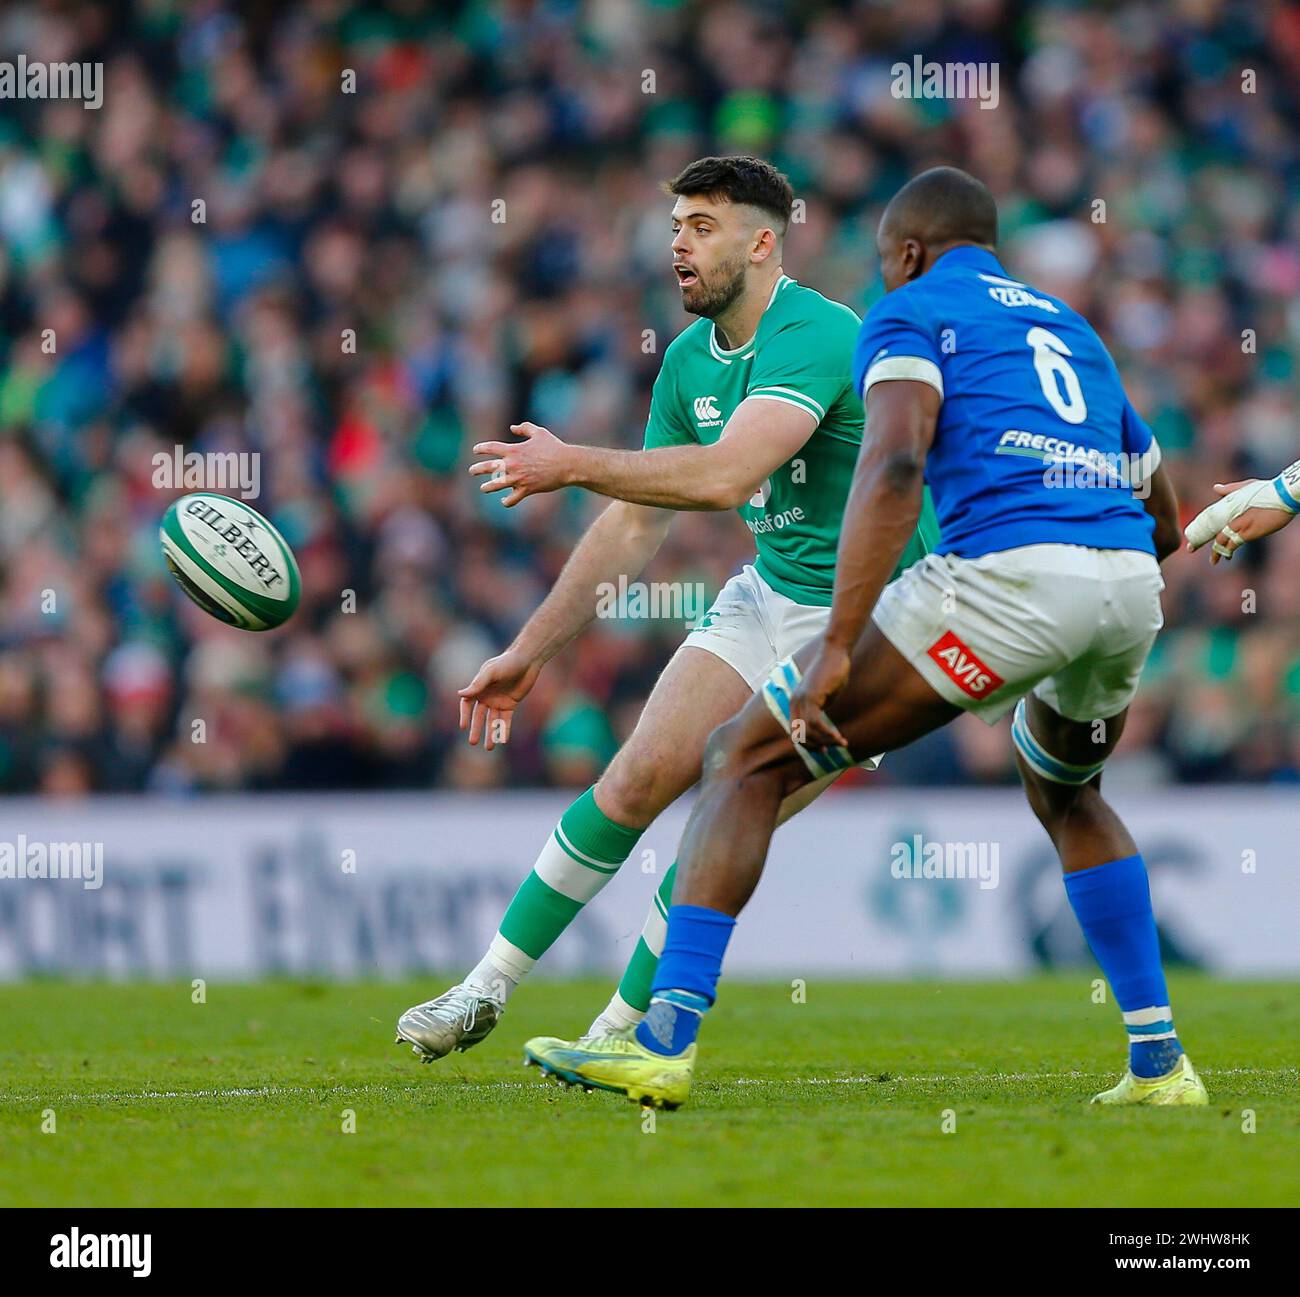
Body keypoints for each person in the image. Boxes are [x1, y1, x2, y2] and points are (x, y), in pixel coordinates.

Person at [525, 166, 1204, 1113]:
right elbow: (1164, 516)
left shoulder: (908, 315)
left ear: (909, 253)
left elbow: (890, 467)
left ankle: (662, 1042)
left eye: (888, 261)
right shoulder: (1068, 328)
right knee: (1069, 791)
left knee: (745, 754)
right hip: (1126, 582)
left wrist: (840, 639)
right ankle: (1160, 1064)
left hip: (1006, 574)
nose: (884, 278)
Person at [395, 156, 938, 1061]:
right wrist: (532, 650)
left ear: (763, 244)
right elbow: (634, 523)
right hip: (769, 592)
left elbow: (729, 474)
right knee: (634, 777)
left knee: (729, 798)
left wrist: (571, 461)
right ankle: (482, 988)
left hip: (870, 631)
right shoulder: (687, 361)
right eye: (676, 225)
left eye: (702, 227)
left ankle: (618, 1031)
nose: (678, 244)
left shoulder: (821, 331)